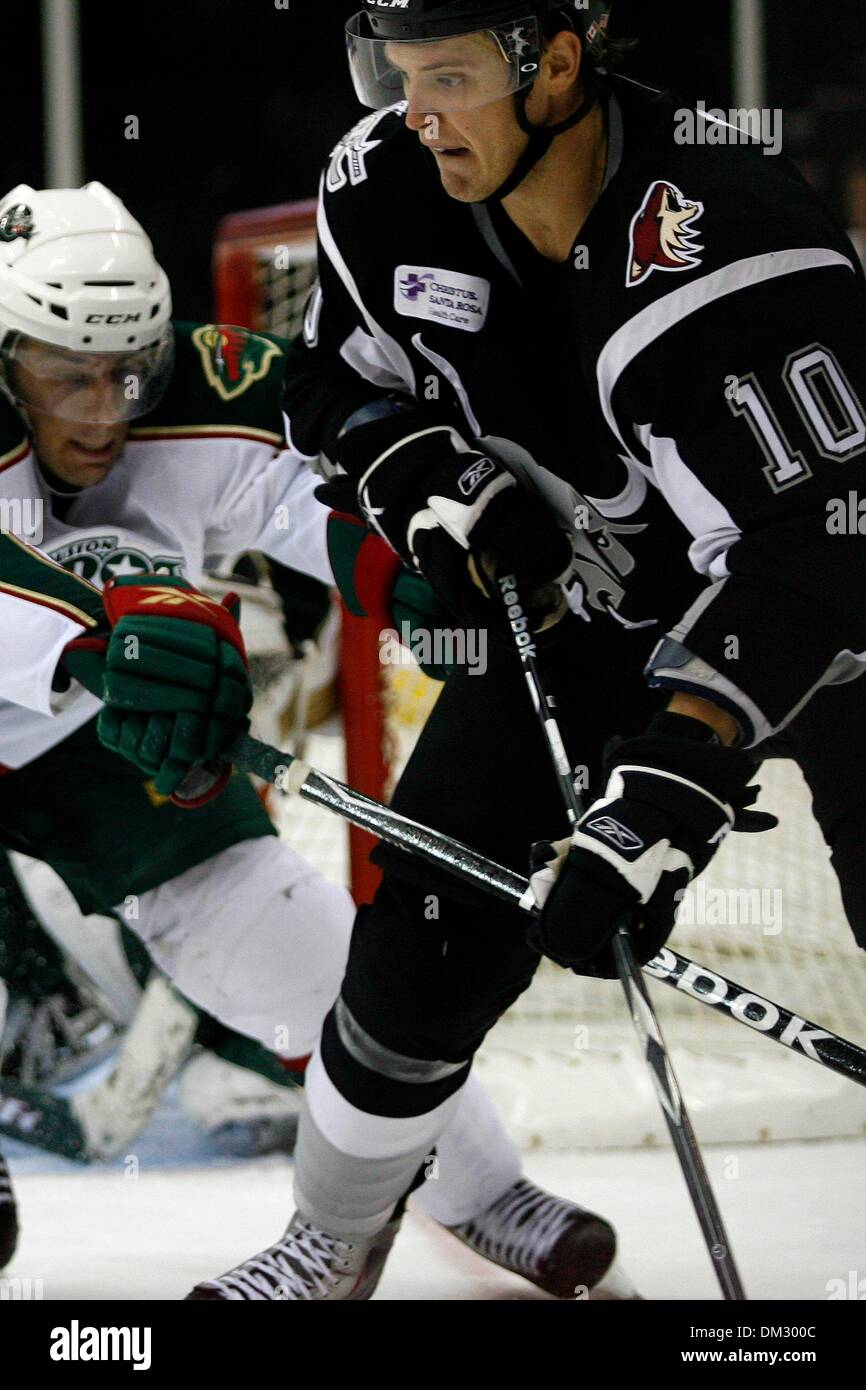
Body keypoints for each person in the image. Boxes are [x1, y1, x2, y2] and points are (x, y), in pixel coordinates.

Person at [186, 0, 866, 1300]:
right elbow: (328, 384)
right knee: (419, 950)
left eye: (448, 77)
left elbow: (816, 545)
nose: (418, 111)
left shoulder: (725, 220)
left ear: (556, 66)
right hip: (580, 610)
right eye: (401, 78)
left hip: (822, 621)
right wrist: (419, 470)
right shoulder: (385, 185)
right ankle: (333, 1234)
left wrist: (664, 788)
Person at [0, 180, 633, 1297]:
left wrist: (417, 576)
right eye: (66, 377)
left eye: (127, 372)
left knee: (293, 950)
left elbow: (308, 495)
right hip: (81, 683)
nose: (104, 410)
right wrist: (98, 639)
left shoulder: (197, 379)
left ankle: (474, 1185)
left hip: (92, 737)